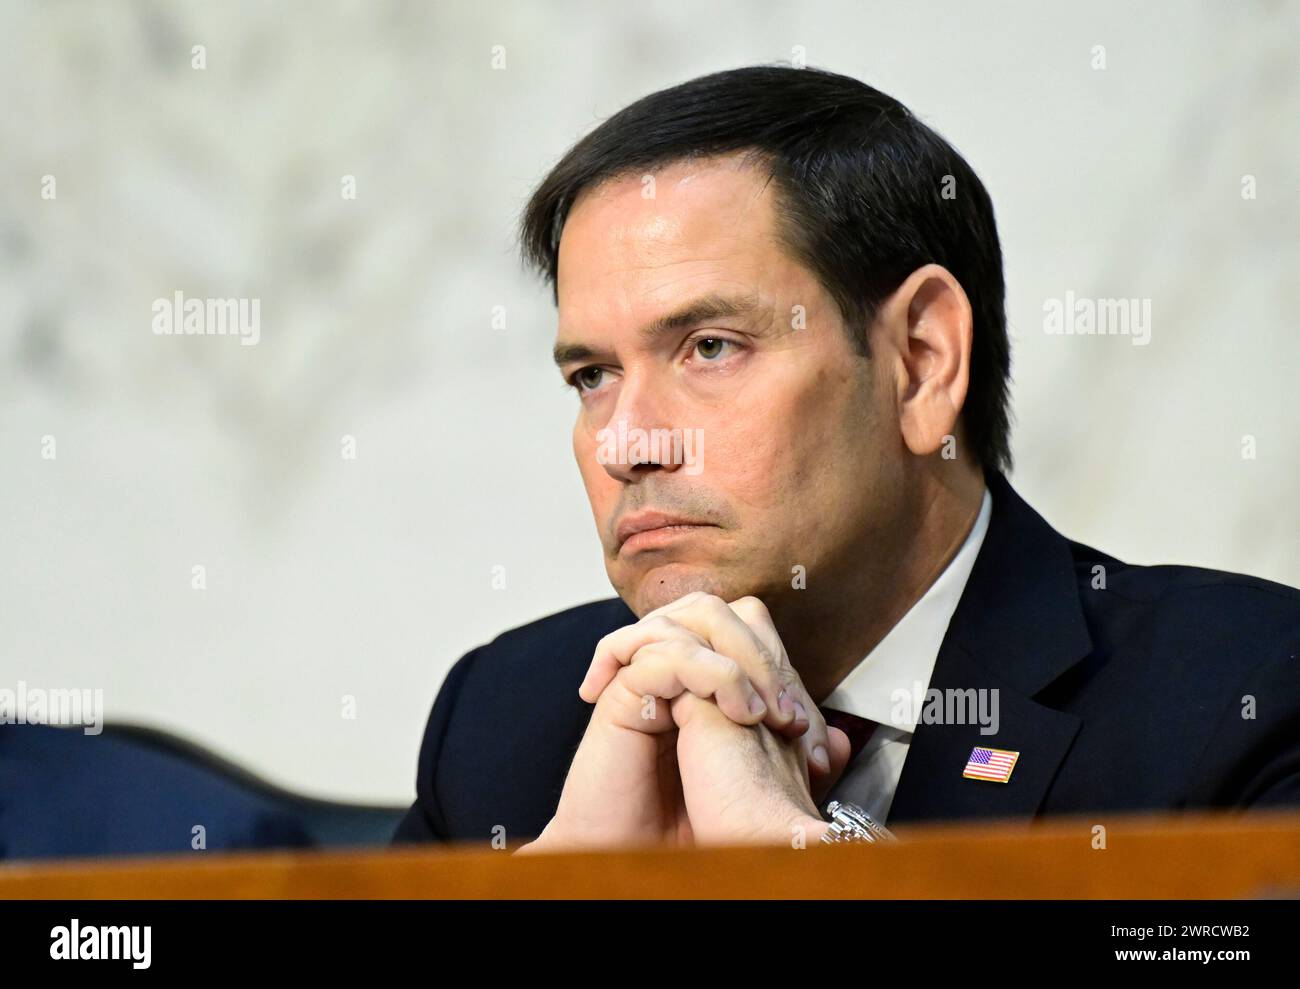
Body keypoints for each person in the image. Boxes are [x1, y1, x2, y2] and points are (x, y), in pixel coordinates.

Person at [393, 65, 1300, 851]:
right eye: (592, 374)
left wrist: (801, 871)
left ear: (920, 362)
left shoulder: (1246, 704)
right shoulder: (508, 720)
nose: (628, 442)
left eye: (709, 346)